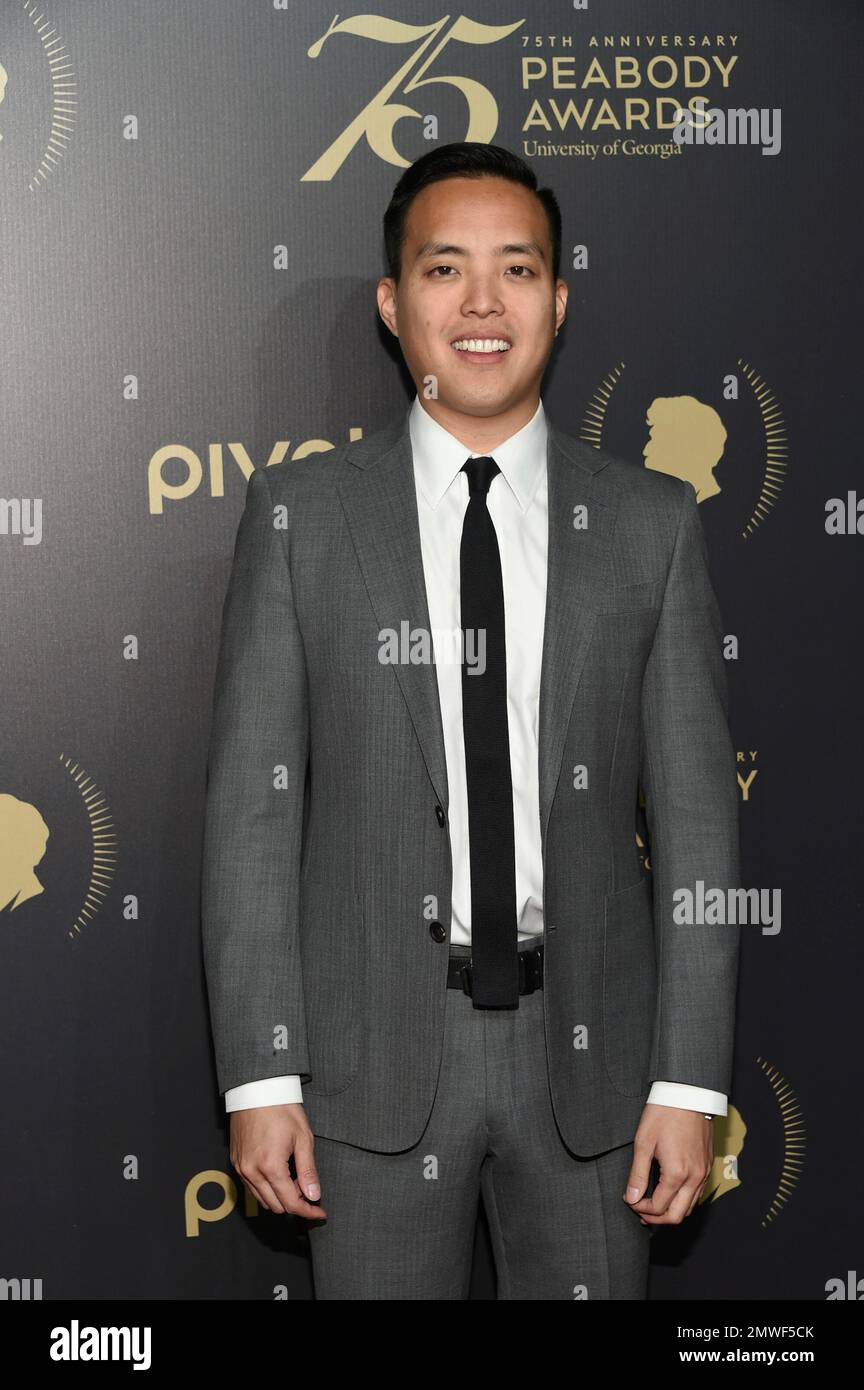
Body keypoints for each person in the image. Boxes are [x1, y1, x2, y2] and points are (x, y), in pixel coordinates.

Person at [200, 142, 741, 1300]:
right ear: (395, 306)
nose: (484, 303)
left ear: (559, 297)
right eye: (446, 270)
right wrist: (260, 1080)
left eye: (517, 269)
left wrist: (689, 1086)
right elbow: (252, 816)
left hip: (598, 1076)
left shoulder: (654, 524)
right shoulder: (299, 518)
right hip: (364, 1076)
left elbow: (699, 824)